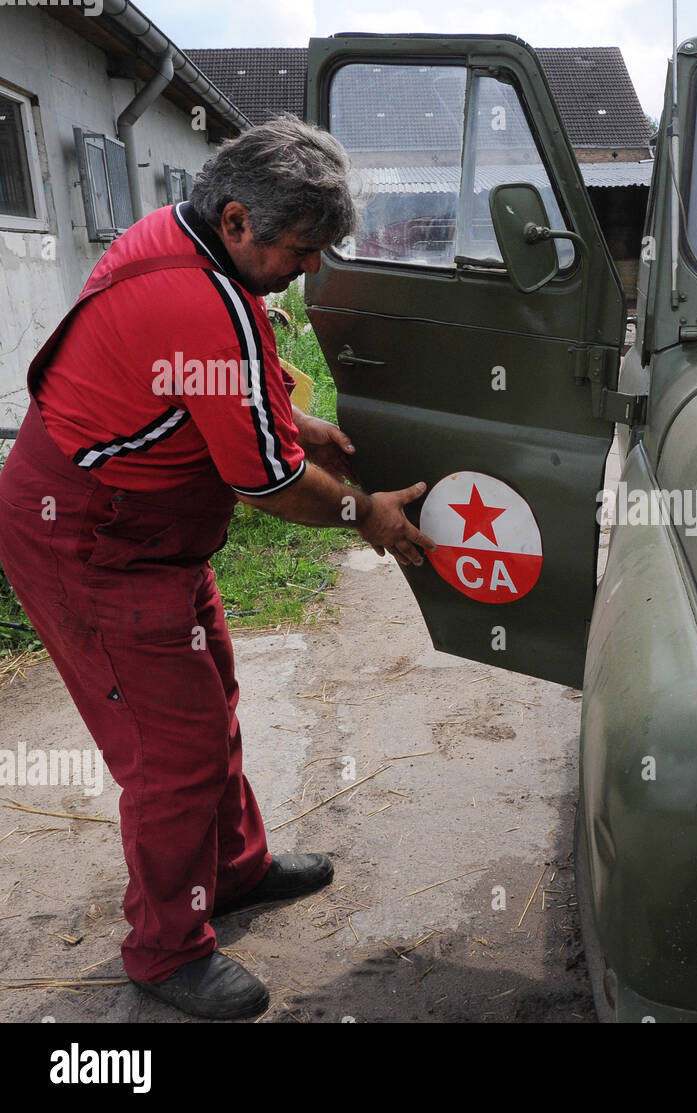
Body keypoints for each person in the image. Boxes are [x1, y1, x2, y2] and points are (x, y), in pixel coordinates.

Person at [0, 117, 436, 1020]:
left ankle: (232, 870)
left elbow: (216, 389)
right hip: (91, 540)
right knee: (173, 755)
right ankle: (165, 948)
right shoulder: (205, 302)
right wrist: (369, 514)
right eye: (302, 250)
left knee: (213, 694)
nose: (310, 268)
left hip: (149, 528)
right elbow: (269, 485)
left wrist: (292, 419)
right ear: (237, 220)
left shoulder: (186, 237)